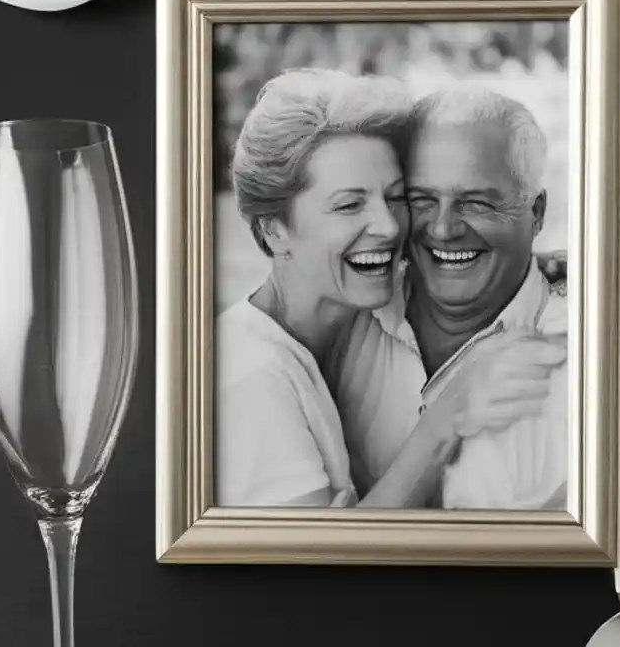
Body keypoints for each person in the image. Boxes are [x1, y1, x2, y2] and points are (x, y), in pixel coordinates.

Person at [215, 69, 560, 508]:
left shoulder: (341, 321)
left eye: (396, 198)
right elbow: (324, 570)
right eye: (349, 204)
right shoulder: (251, 376)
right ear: (274, 230)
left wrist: (552, 261)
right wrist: (446, 418)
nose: (387, 226)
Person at [332, 86, 568, 509]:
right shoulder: (346, 315)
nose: (442, 229)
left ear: (536, 213)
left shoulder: (581, 361)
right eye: (422, 201)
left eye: (475, 203)